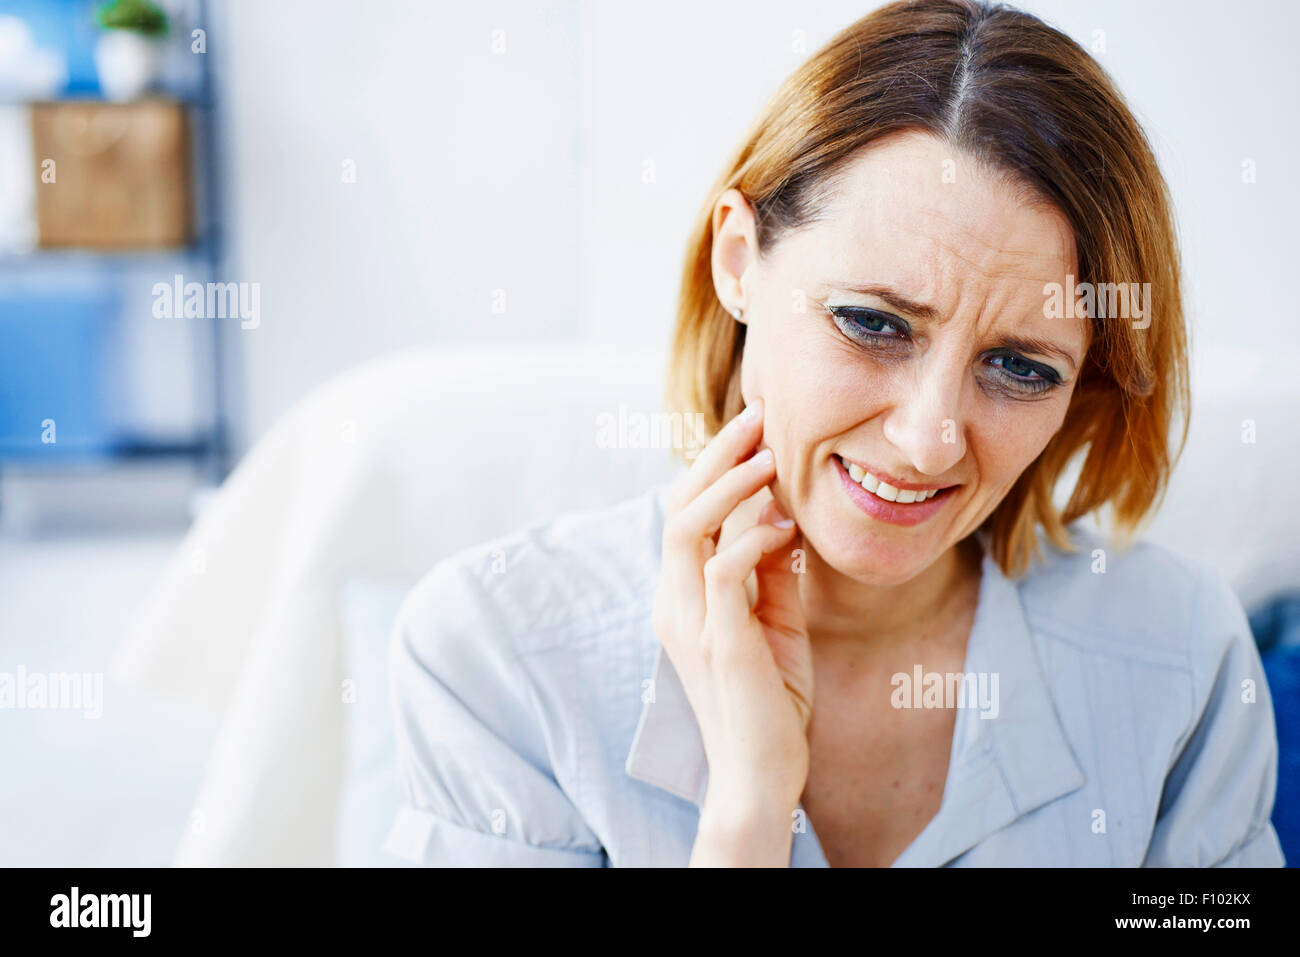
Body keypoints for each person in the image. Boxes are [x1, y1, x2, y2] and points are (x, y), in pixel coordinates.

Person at [385, 0, 1285, 867]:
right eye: (874, 323)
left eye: (1019, 368)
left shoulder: (1182, 661)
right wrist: (747, 809)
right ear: (739, 261)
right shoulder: (496, 657)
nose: (930, 439)